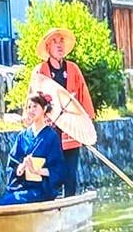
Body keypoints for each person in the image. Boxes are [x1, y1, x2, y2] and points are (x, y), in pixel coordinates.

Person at [30, 26, 94, 200]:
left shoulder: (73, 69)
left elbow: (83, 97)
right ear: (48, 47)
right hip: (48, 130)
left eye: (61, 42)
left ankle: (69, 203)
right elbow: (32, 100)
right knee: (48, 170)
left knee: (70, 174)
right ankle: (45, 202)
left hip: (71, 131)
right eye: (54, 42)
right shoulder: (40, 72)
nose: (59, 45)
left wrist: (86, 125)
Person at [0, 93, 65, 205]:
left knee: (15, 201)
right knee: (5, 200)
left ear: (44, 108)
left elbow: (58, 169)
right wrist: (21, 168)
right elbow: (12, 164)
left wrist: (37, 170)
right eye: (29, 107)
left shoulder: (51, 137)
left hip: (41, 188)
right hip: (22, 186)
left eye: (35, 106)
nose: (31, 110)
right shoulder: (22, 136)